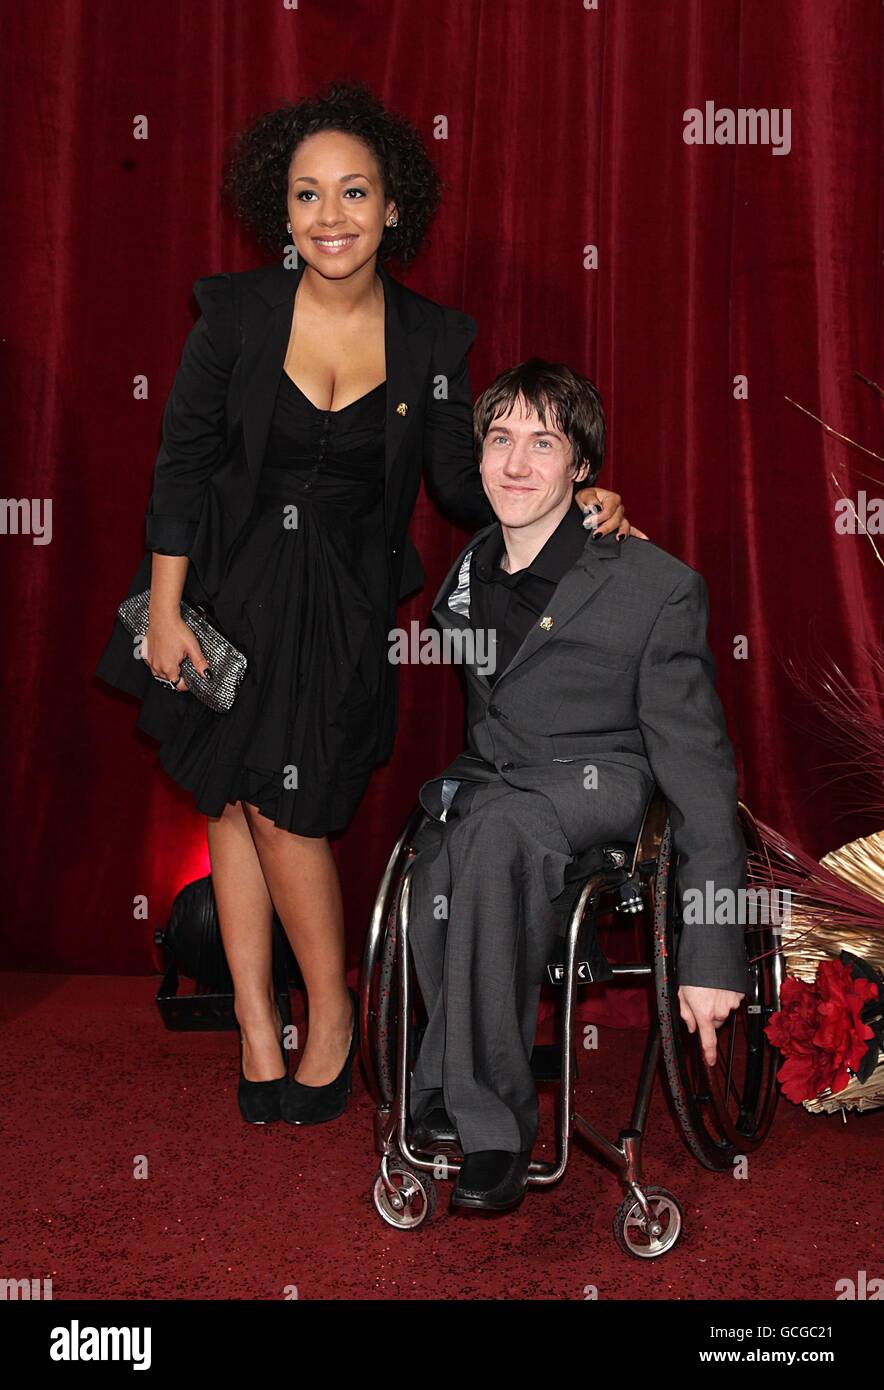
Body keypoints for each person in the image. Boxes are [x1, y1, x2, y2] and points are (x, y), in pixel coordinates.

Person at [94, 81, 638, 1127]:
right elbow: (181, 465)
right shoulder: (235, 316)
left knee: (286, 809)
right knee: (232, 802)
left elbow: (451, 477)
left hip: (342, 608)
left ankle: (332, 1013)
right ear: (280, 209)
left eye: (354, 193)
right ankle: (259, 1023)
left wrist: (566, 494)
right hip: (223, 587)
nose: (330, 216)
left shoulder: (432, 341)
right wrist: (164, 609)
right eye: (307, 196)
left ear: (393, 207)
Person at [406, 357, 751, 1213]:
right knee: (433, 862)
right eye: (500, 439)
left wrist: (712, 950)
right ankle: (449, 1077)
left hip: (606, 786)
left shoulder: (656, 586)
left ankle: (491, 1132)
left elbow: (702, 778)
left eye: (544, 442)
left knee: (490, 833)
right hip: (496, 789)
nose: (517, 462)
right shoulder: (464, 578)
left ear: (582, 466)